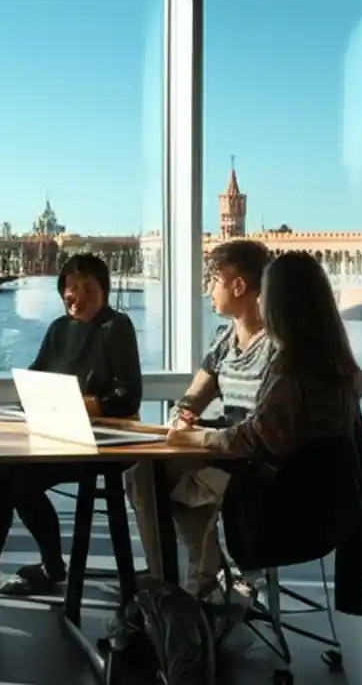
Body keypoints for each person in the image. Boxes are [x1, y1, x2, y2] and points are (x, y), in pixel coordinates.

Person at [161, 250, 362, 592]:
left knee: (163, 480)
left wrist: (196, 439)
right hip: (325, 506)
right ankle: (205, 586)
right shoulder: (334, 365)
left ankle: (200, 588)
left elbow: (257, 437)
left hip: (278, 507)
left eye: (265, 292)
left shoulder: (290, 368)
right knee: (170, 478)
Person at [0, 253, 142, 604]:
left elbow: (127, 396)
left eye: (88, 288)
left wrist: (82, 404)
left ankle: (52, 568)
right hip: (58, 435)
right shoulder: (59, 329)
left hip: (104, 442)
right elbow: (36, 375)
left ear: (104, 292)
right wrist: (31, 401)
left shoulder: (117, 327)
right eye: (70, 288)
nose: (76, 295)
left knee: (22, 485)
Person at [127, 238, 275, 597]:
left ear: (238, 286)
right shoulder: (225, 341)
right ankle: (190, 575)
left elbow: (265, 430)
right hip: (222, 451)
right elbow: (194, 396)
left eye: (214, 279)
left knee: (156, 476)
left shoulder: (276, 346)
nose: (208, 289)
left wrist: (193, 435)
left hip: (253, 462)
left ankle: (191, 579)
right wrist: (183, 416)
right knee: (142, 471)